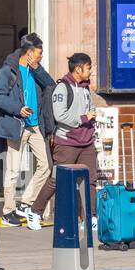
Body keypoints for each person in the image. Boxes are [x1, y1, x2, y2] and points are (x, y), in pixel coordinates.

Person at [0, 33, 56, 227]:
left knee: (46, 166)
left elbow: (51, 85)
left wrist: (38, 69)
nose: (41, 56)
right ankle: (8, 211)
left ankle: (25, 203)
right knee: (13, 169)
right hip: (17, 124)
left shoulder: (36, 70)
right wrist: (17, 109)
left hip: (35, 125)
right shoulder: (7, 71)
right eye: (38, 53)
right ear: (28, 52)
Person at [28, 53, 99, 230]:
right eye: (88, 68)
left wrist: (92, 118)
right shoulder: (62, 88)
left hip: (86, 142)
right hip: (67, 142)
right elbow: (60, 115)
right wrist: (84, 118)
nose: (91, 71)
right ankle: (35, 212)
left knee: (90, 180)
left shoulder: (85, 88)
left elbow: (91, 109)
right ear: (78, 69)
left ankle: (89, 218)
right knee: (57, 178)